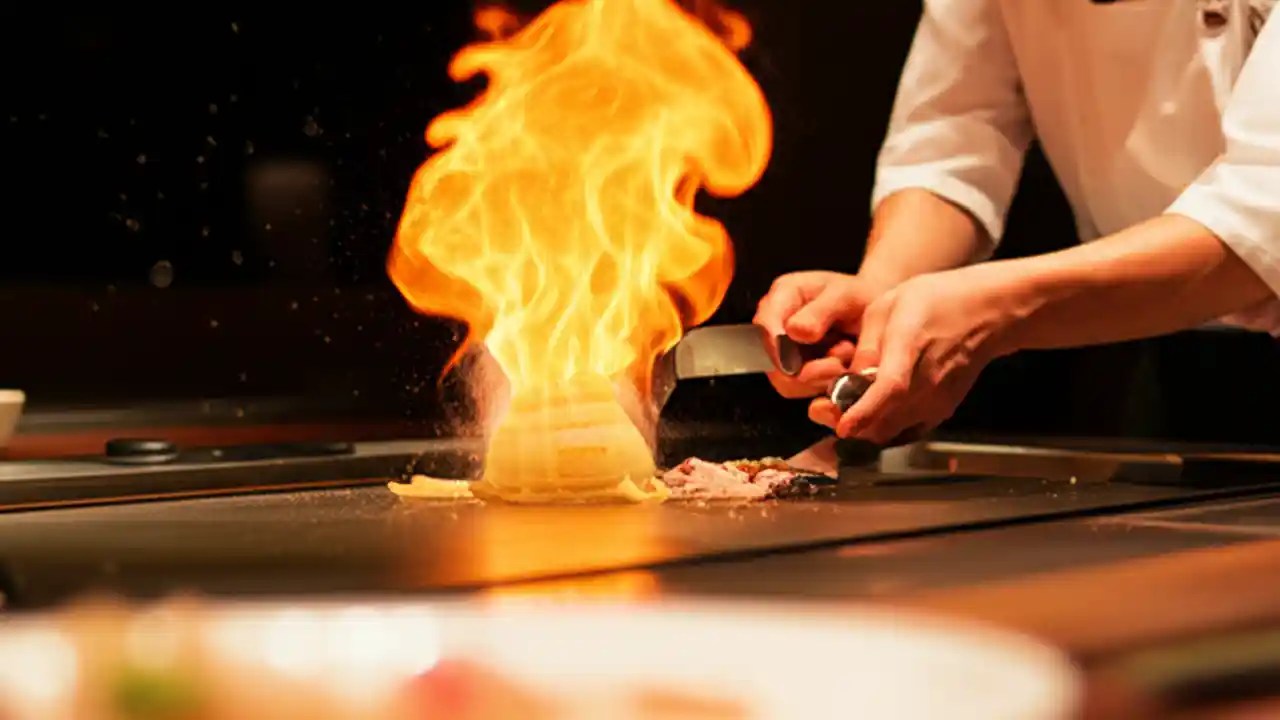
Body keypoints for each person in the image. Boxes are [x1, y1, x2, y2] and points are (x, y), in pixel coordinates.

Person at [754, 0, 1280, 446]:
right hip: (1141, 347)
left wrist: (994, 310)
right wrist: (881, 296)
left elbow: (1263, 205)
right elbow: (956, 131)